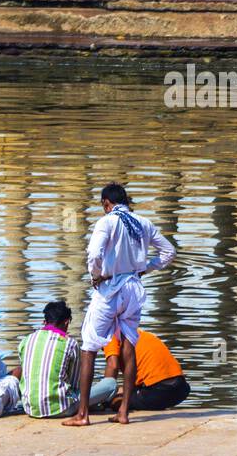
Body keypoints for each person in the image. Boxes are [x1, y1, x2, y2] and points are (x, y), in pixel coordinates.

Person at [63, 183, 176, 427]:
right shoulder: (143, 222)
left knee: (90, 346)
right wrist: (143, 269)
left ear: (106, 203)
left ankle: (83, 414)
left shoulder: (107, 222)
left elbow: (94, 253)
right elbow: (169, 252)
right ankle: (123, 412)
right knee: (129, 343)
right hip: (134, 289)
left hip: (110, 289)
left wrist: (96, 275)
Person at [18, 299, 117, 419]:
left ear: (44, 321)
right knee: (111, 383)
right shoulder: (69, 343)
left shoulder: (26, 341)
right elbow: (75, 384)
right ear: (66, 322)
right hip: (61, 408)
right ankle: (93, 405)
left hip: (31, 409)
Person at [103, 328, 190, 411]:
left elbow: (113, 366)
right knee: (123, 391)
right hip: (181, 388)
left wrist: (103, 398)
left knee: (114, 402)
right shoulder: (136, 333)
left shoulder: (109, 335)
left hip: (159, 390)